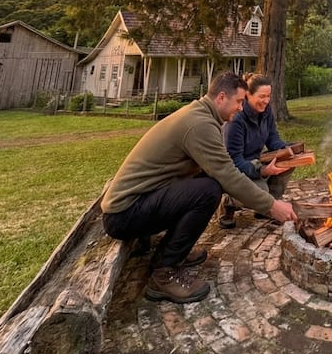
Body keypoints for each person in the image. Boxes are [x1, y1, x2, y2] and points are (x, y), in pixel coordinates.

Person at [101, 71, 297, 305]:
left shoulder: (201, 115)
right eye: (238, 101)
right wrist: (272, 206)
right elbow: (228, 175)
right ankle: (163, 273)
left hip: (138, 202)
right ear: (221, 97)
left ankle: (176, 251)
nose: (241, 107)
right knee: (208, 190)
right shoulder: (200, 125)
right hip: (124, 214)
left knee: (207, 181)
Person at [221, 74, 293, 226]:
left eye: (268, 96)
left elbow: (273, 139)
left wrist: (287, 150)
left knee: (289, 162)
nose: (266, 100)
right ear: (248, 94)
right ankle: (227, 201)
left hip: (255, 163)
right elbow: (234, 161)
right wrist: (263, 170)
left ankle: (267, 208)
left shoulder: (266, 111)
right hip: (236, 171)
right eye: (262, 96)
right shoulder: (236, 120)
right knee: (261, 190)